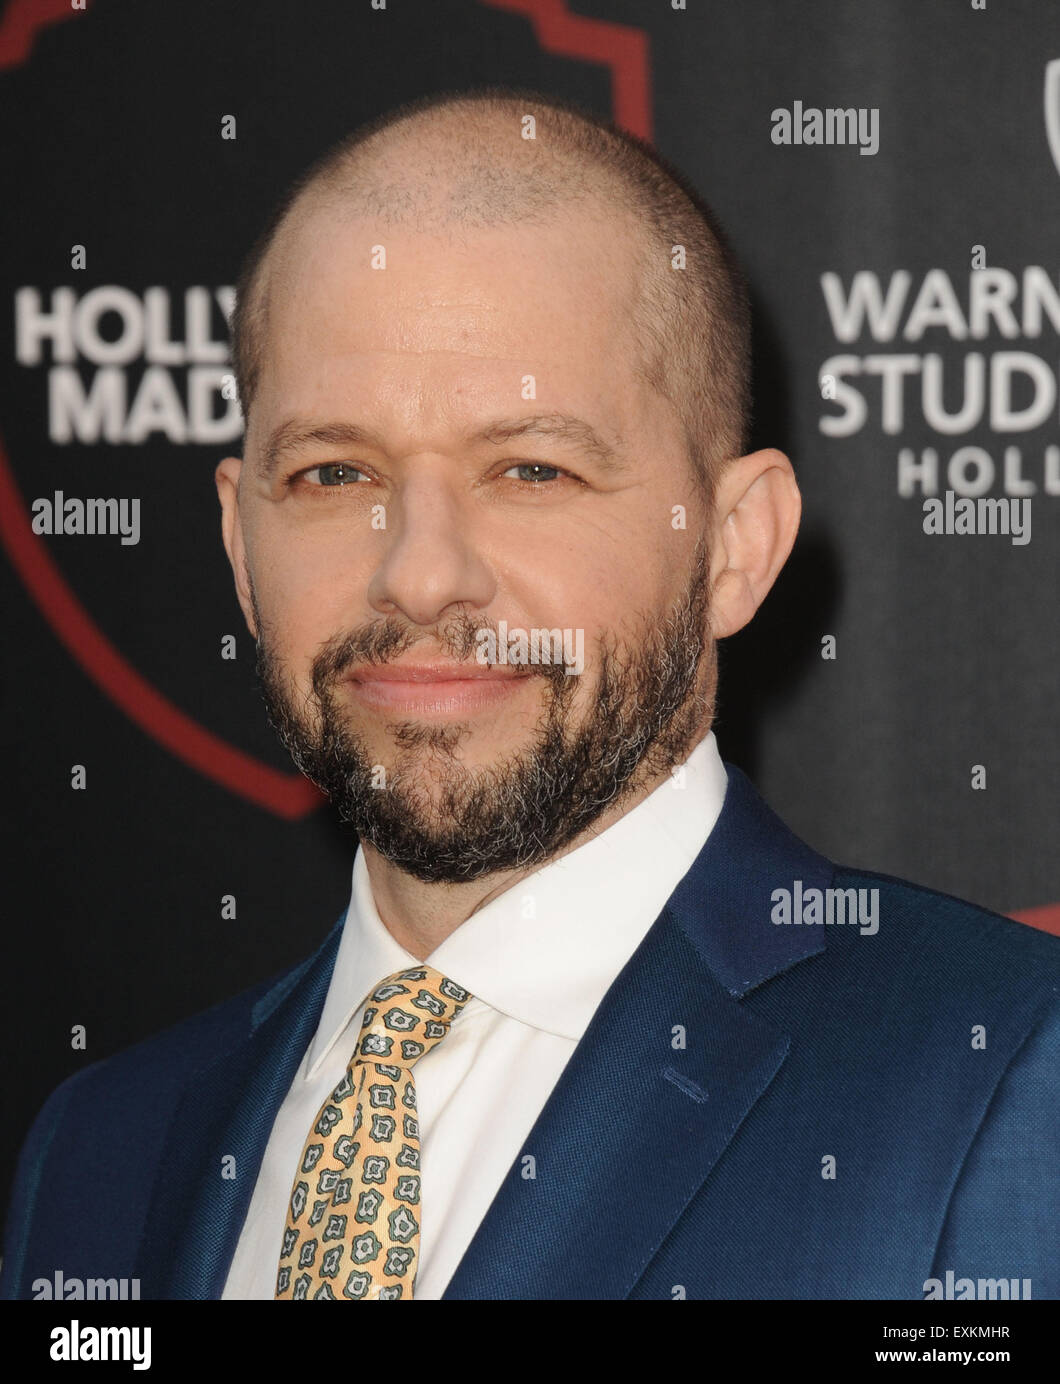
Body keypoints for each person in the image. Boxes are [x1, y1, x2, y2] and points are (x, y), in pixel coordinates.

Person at [2, 87, 1057, 1303]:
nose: (421, 570)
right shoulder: (100, 1149)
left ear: (732, 545)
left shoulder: (1006, 1078)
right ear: (240, 545)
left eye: (531, 468)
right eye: (334, 471)